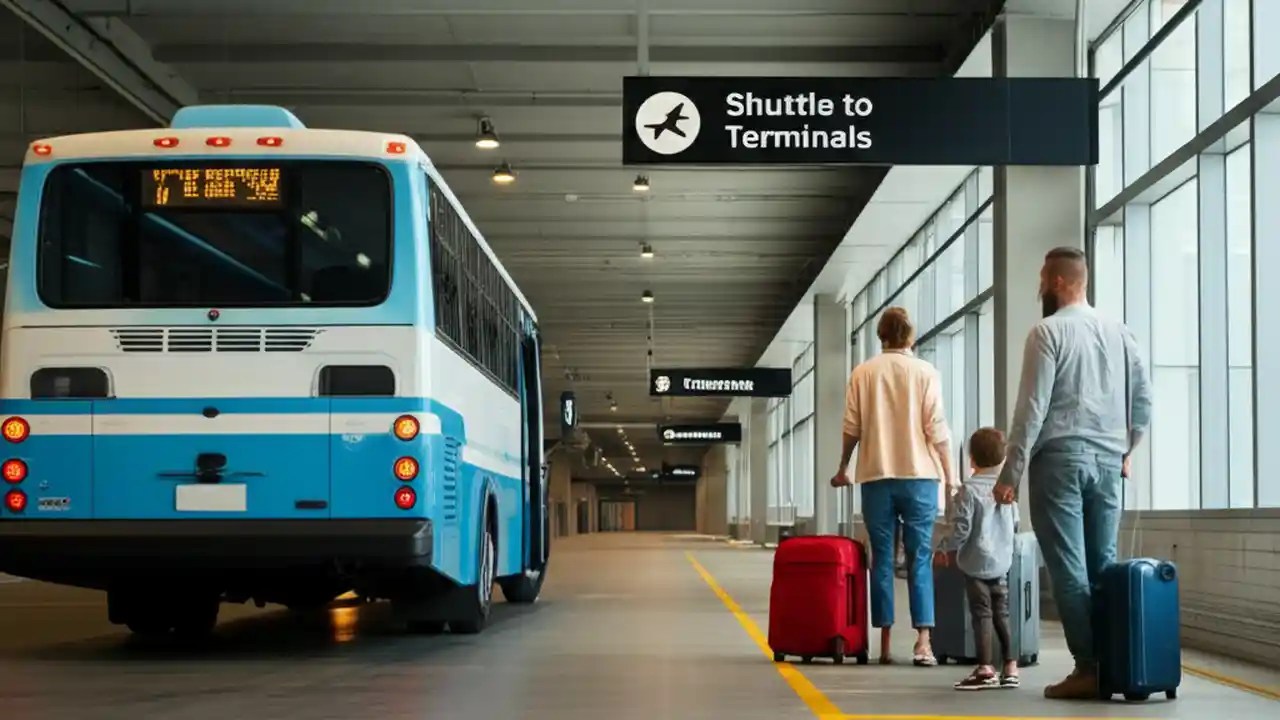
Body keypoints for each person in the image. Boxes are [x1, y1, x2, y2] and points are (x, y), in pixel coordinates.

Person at [992, 247, 1152, 700]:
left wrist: (1010, 472)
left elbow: (1032, 409)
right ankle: (1116, 663)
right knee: (1102, 565)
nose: (1040, 285)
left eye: (1044, 277)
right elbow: (1143, 399)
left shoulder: (1047, 332)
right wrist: (1129, 448)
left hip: (1059, 461)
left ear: (1061, 281)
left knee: (1069, 569)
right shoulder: (1121, 333)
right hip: (1107, 462)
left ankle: (1088, 668)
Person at [831, 306, 957, 666]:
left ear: (880, 336)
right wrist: (949, 475)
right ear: (911, 337)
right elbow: (937, 427)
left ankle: (884, 642)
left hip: (875, 477)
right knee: (920, 558)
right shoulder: (925, 372)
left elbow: (851, 428)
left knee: (881, 560)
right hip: (920, 478)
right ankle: (923, 642)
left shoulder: (863, 373)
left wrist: (843, 468)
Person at [935, 427, 1020, 691]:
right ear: (1002, 459)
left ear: (971, 459)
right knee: (1002, 613)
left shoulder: (968, 491)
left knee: (981, 613)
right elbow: (1015, 524)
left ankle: (985, 669)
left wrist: (946, 548)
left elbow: (961, 528)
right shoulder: (1007, 490)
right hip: (1001, 561)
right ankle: (1010, 666)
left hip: (975, 563)